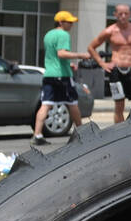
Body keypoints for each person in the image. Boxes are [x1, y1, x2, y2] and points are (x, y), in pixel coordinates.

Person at [31, 11, 91, 146]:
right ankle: (81, 133)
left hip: (49, 74)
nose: (71, 25)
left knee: (45, 104)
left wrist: (68, 64)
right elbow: (61, 53)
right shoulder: (63, 34)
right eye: (69, 22)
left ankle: (37, 135)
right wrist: (81, 55)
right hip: (62, 76)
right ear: (60, 22)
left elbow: (53, 56)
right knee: (73, 103)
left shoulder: (49, 34)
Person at [87, 4, 131, 124]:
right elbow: (91, 47)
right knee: (119, 106)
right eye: (120, 13)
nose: (123, 16)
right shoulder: (110, 31)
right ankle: (119, 134)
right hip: (116, 72)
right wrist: (102, 63)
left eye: (126, 13)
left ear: (130, 14)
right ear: (115, 14)